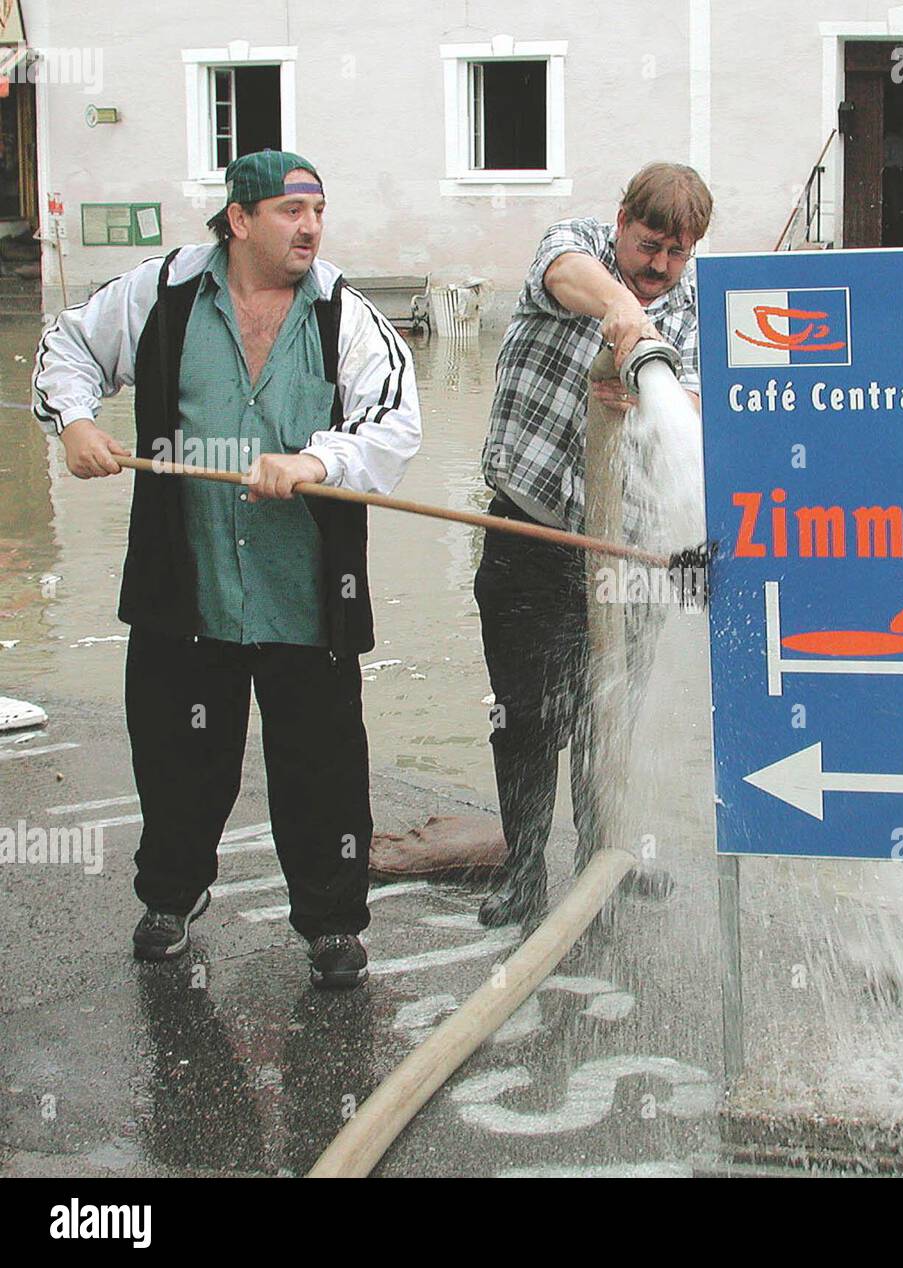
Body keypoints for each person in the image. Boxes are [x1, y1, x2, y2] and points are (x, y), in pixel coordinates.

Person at [31, 150, 421, 988]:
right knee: (176, 757)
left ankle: (332, 925)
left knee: (321, 770)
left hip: (307, 596)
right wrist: (73, 422)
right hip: (188, 586)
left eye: (317, 210)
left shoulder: (344, 312)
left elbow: (394, 422)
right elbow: (65, 345)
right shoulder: (161, 292)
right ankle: (171, 897)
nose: (311, 226)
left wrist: (319, 461)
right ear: (239, 220)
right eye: (290, 212)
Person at [473, 161, 712, 931]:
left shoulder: (694, 311)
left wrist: (657, 386)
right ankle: (522, 870)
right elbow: (571, 274)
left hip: (629, 554)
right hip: (531, 529)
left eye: (678, 254)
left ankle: (602, 860)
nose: (660, 268)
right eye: (650, 245)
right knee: (526, 715)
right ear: (621, 221)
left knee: (609, 716)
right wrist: (621, 318)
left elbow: (706, 412)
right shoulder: (573, 249)